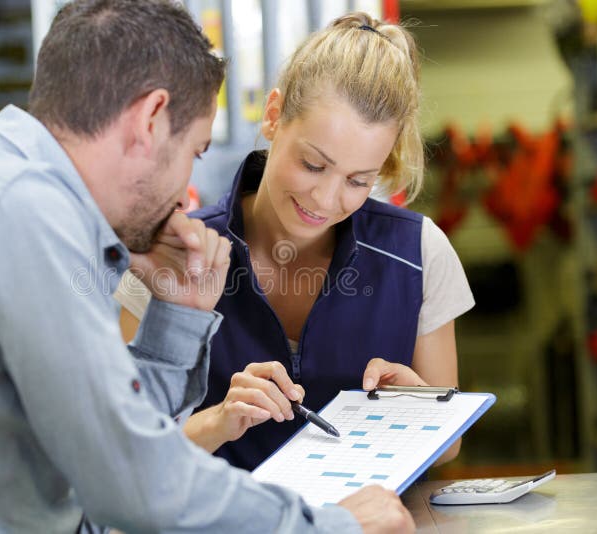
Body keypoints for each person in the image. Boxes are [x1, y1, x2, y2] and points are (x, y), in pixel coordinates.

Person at [0, 1, 414, 533]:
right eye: (194, 151)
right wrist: (329, 525)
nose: (187, 193)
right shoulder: (20, 210)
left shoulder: (16, 198)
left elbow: (107, 448)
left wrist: (178, 319)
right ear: (151, 118)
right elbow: (135, 486)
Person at [116, 12, 475, 471]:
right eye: (312, 164)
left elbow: (449, 448)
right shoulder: (171, 254)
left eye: (358, 181)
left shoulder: (419, 253)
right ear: (272, 117)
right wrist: (218, 421)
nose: (325, 199)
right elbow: (124, 455)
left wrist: (417, 411)